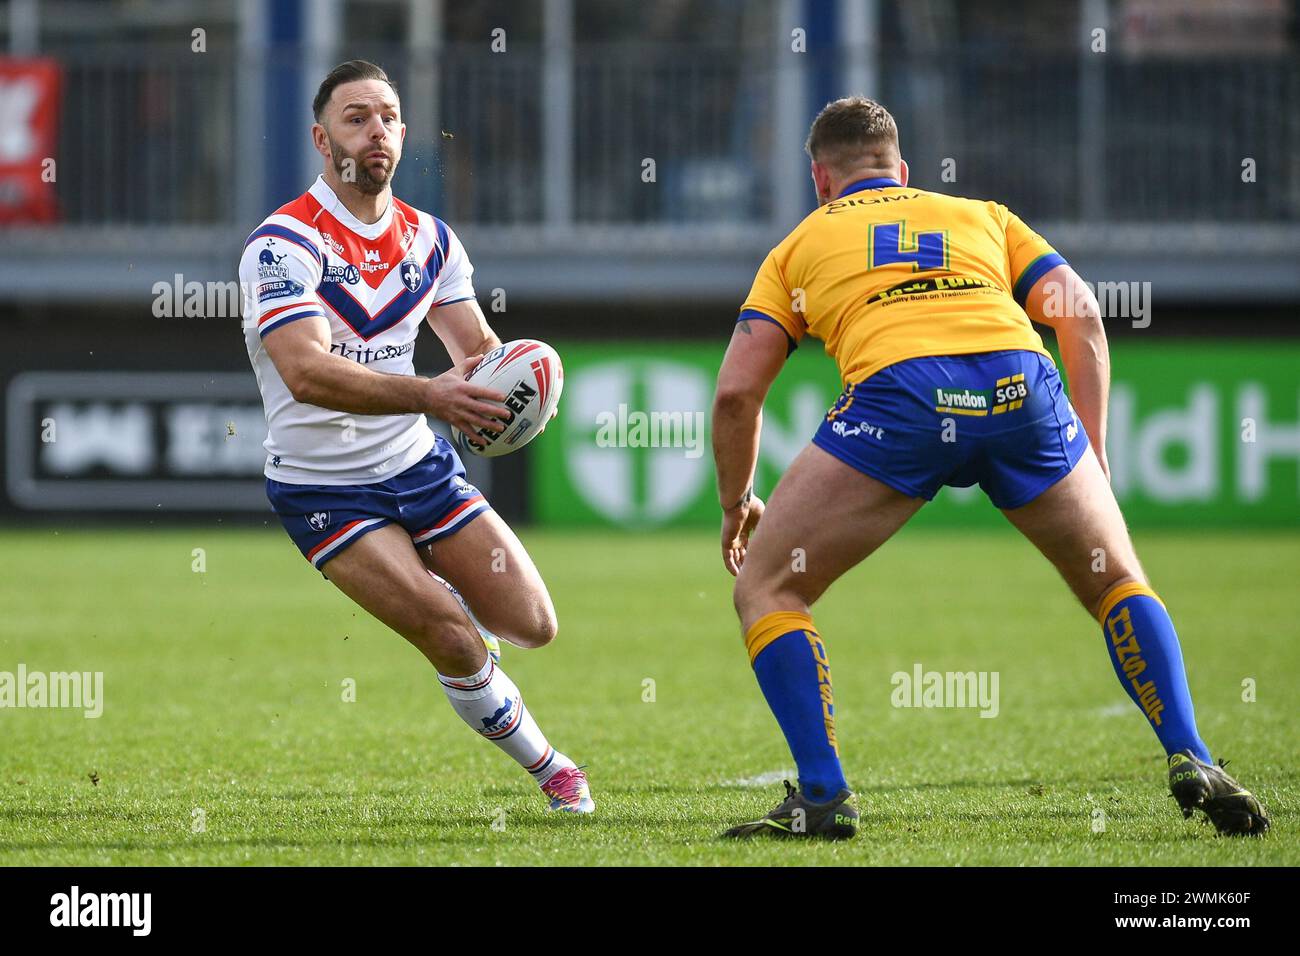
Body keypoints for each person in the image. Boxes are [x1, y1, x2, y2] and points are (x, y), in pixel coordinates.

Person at [711, 96, 1267, 839]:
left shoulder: (797, 248)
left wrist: (737, 501)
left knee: (769, 587)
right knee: (1116, 580)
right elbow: (1081, 316)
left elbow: (737, 394)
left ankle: (822, 797)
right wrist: (1091, 451)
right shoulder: (985, 216)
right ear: (903, 170)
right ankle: (1193, 755)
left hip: (902, 402)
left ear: (820, 180)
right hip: (1021, 391)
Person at [239, 60, 593, 813]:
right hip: (322, 488)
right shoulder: (281, 246)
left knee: (534, 625)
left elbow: (476, 353)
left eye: (389, 117)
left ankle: (465, 639)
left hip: (418, 467)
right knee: (451, 634)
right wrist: (431, 394)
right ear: (320, 136)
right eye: (356, 117)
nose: (376, 132)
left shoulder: (431, 240)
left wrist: (516, 394)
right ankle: (554, 770)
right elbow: (307, 374)